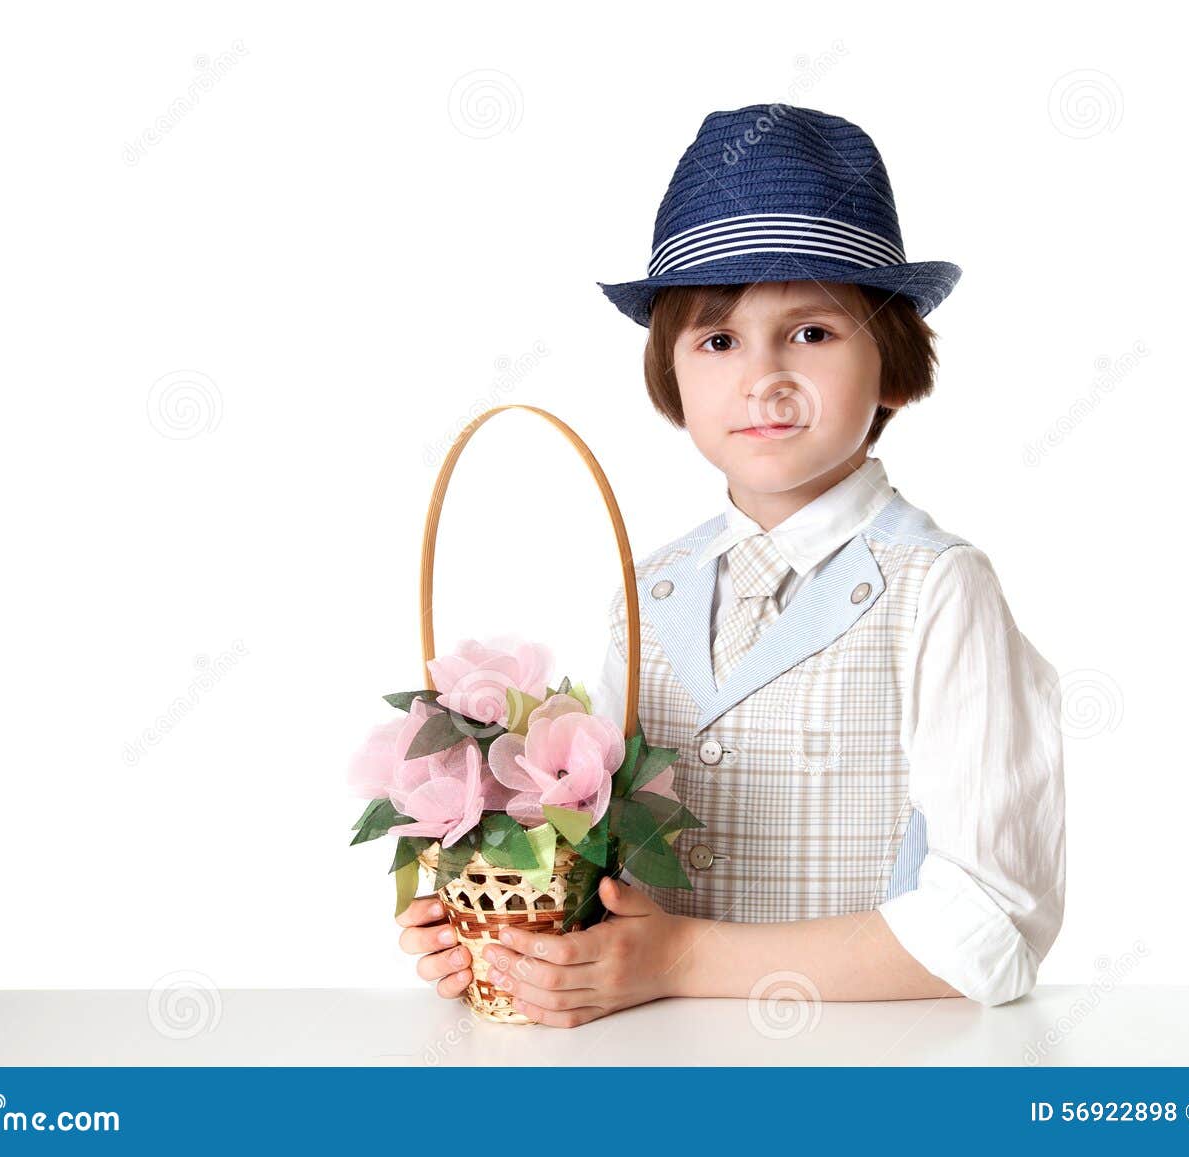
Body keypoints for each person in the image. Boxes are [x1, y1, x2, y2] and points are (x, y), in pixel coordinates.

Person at [397, 103, 1065, 1025]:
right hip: (656, 1073)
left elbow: (988, 929)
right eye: (718, 340)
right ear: (671, 377)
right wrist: (519, 936)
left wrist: (681, 957)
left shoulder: (940, 591)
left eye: (813, 333)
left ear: (896, 365)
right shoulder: (650, 591)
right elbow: (611, 865)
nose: (764, 377)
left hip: (874, 1073)